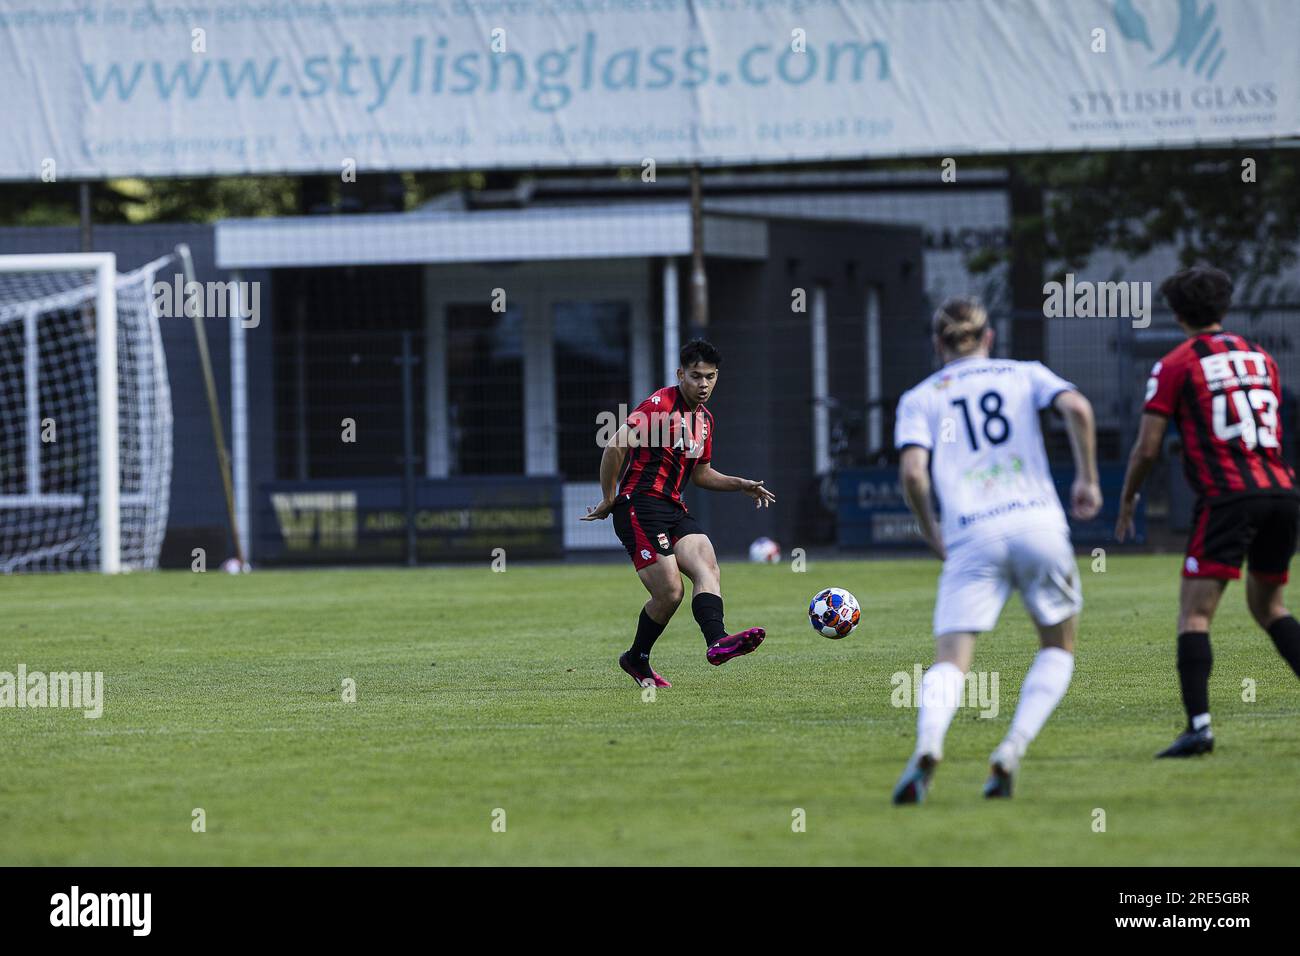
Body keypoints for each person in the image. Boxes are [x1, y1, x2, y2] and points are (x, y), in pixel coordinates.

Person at [892, 297, 1102, 803]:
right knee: (1057, 646)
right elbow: (1077, 406)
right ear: (989, 338)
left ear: (938, 343)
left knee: (951, 661)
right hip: (1038, 524)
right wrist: (1088, 479)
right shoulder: (1024, 373)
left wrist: (930, 529)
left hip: (971, 534)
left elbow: (913, 472)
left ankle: (928, 747)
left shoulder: (921, 396)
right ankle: (1010, 749)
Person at [1116, 266, 1300, 757]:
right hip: (1282, 491)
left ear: (1175, 313)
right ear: (1224, 307)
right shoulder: (1262, 358)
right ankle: (1197, 726)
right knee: (1270, 607)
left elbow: (1148, 448)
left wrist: (1129, 496)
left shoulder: (1175, 365)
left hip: (1228, 498)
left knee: (1194, 616)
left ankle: (1198, 727)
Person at [582, 338, 776, 688]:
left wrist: (739, 484)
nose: (704, 385)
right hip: (639, 505)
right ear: (680, 374)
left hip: (673, 507)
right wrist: (609, 498)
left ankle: (717, 641)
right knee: (670, 592)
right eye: (696, 376)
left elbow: (701, 473)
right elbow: (615, 445)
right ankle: (636, 658)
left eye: (711, 377)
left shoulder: (704, 421)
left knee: (707, 564)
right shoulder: (660, 406)